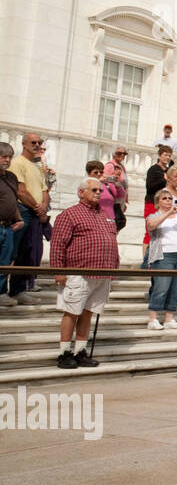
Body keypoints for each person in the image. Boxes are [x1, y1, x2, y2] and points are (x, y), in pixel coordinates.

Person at [50, 177, 119, 368]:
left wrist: (114, 266)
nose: (98, 193)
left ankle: (80, 350)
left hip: (102, 273)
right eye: (94, 190)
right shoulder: (69, 214)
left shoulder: (105, 215)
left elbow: (112, 241)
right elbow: (58, 244)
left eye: (100, 190)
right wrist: (58, 270)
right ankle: (64, 353)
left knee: (88, 313)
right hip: (78, 272)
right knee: (71, 312)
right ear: (81, 192)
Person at [145, 187, 177, 330]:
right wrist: (168, 213)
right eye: (164, 199)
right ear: (158, 202)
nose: (168, 201)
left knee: (176, 288)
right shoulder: (154, 215)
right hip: (164, 255)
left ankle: (169, 318)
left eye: (169, 198)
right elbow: (151, 225)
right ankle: (153, 319)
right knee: (161, 287)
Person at [9, 132, 50, 302]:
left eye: (39, 142)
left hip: (35, 213)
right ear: (24, 144)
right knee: (13, 251)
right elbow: (21, 190)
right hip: (23, 211)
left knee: (28, 251)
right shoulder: (17, 163)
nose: (37, 145)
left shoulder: (37, 166)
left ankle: (19, 289)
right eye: (34, 142)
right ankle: (3, 290)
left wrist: (43, 206)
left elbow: (44, 190)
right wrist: (37, 207)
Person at [0, 142, 25, 304]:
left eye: (9, 157)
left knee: (5, 262)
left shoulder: (11, 177)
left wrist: (19, 218)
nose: (7, 160)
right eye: (3, 157)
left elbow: (13, 200)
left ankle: (1, 292)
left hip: (8, 226)